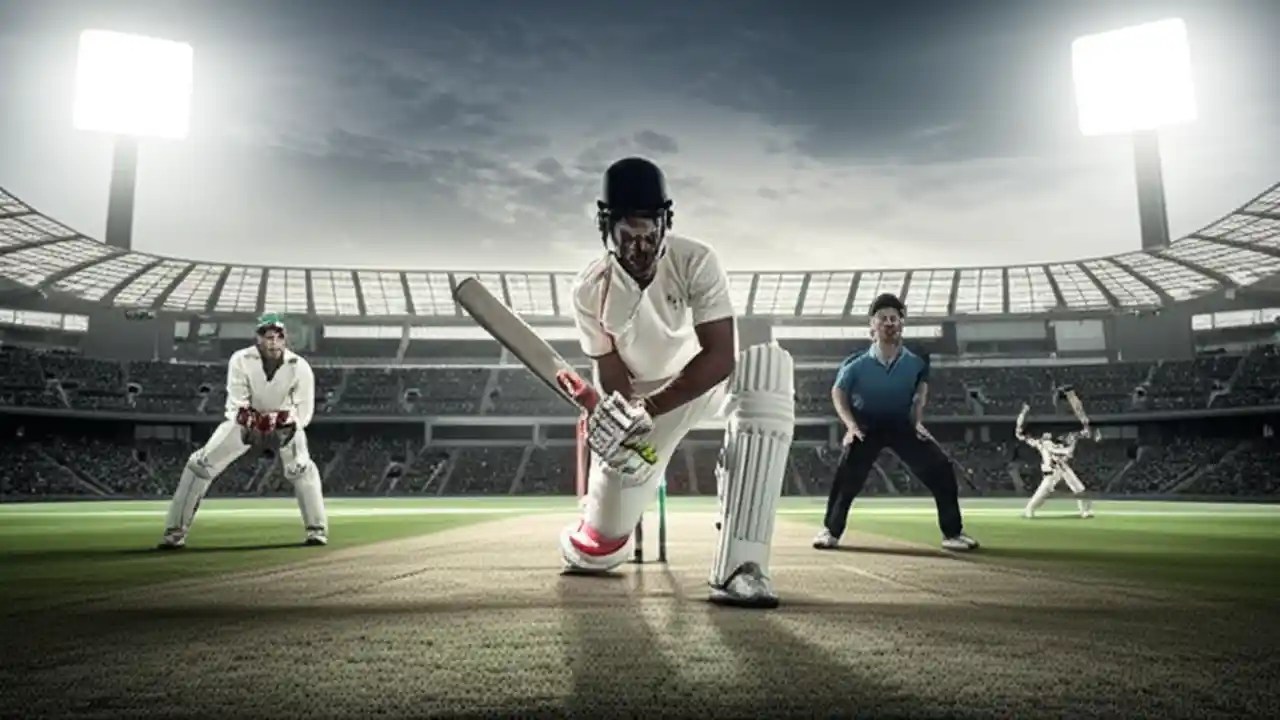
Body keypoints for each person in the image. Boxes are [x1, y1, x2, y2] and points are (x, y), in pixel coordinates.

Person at [560, 156, 796, 609]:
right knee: (600, 548)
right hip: (641, 403)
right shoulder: (589, 289)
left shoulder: (696, 261)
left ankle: (740, 567)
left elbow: (721, 355)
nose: (640, 249)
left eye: (649, 233)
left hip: (702, 384)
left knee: (768, 369)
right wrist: (623, 415)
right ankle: (589, 525)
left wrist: (646, 409)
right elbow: (610, 370)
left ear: (666, 222)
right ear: (606, 228)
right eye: (629, 236)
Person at [813, 293, 979, 552]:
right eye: (882, 319)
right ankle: (830, 531)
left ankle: (952, 533)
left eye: (894, 318)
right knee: (847, 475)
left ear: (901, 324)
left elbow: (920, 395)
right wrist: (851, 426)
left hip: (902, 424)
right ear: (873, 326)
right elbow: (838, 393)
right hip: (867, 425)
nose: (889, 323)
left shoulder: (917, 360)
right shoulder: (854, 364)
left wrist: (917, 423)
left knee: (942, 469)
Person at [156, 313, 328, 549]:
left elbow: (305, 411)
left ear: (284, 339)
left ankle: (316, 530)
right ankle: (174, 534)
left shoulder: (300, 367)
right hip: (245, 421)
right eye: (268, 337)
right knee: (199, 465)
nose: (273, 342)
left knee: (302, 468)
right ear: (258, 338)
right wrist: (252, 422)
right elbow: (237, 401)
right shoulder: (241, 359)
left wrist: (284, 422)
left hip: (285, 425)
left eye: (278, 337)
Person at [1015, 402, 1096, 519]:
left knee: (1079, 489)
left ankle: (1085, 512)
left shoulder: (1062, 440)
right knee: (1043, 492)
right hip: (1051, 471)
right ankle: (1029, 509)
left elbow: (1083, 434)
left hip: (1062, 467)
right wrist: (1022, 414)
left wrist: (1085, 427)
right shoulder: (1042, 443)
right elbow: (1020, 434)